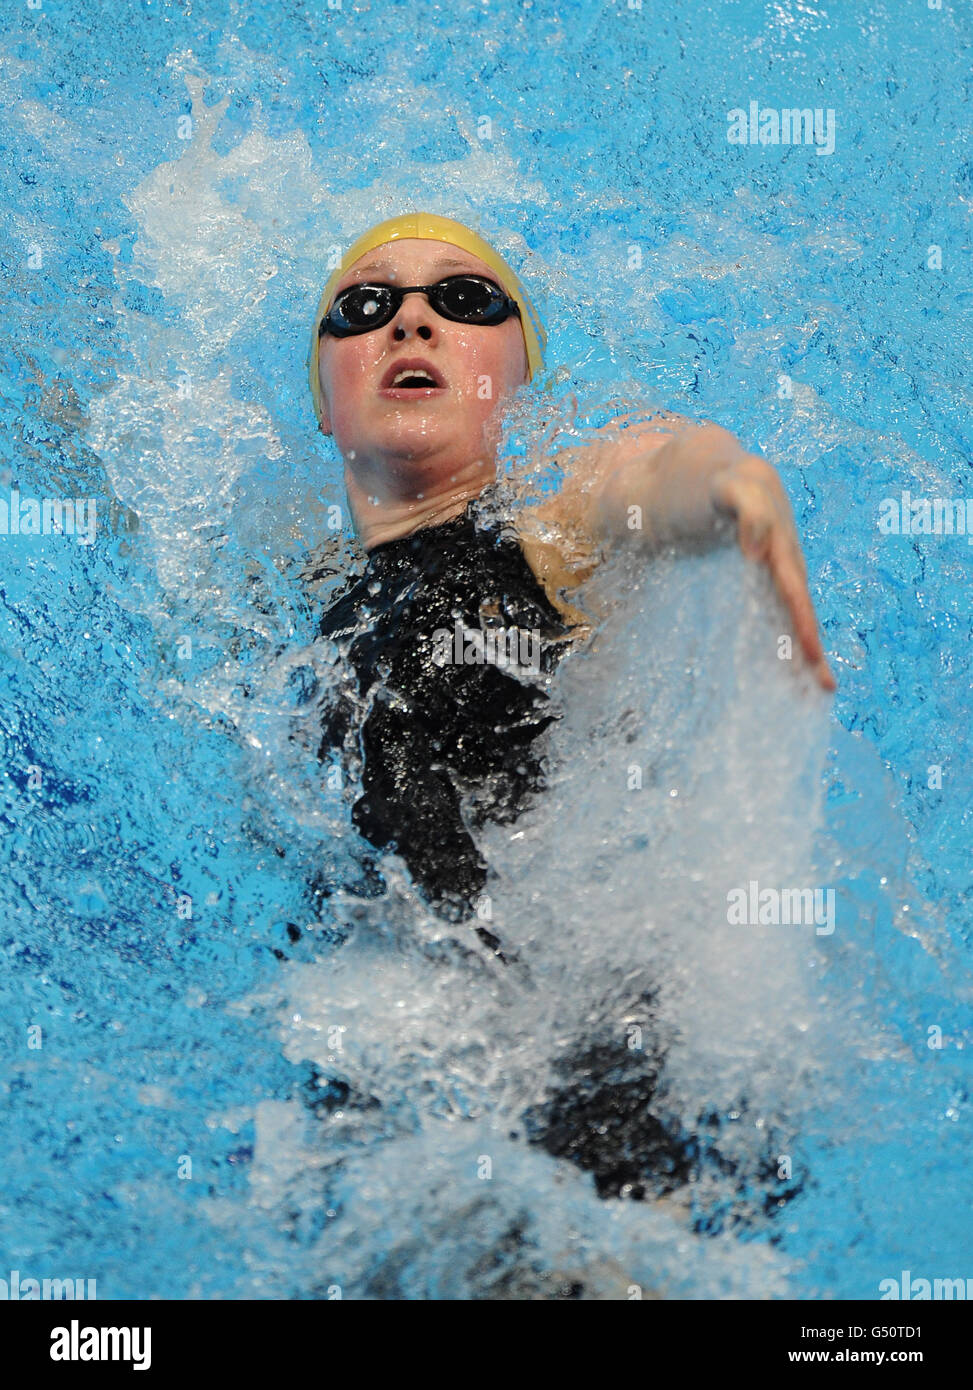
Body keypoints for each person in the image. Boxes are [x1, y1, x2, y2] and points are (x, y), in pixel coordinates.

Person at [307, 211, 833, 1207]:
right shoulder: (282, 588)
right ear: (323, 403)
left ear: (514, 382)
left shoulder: (552, 536)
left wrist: (732, 482)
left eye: (462, 302)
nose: (409, 324)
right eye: (364, 306)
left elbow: (653, 474)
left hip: (592, 1048)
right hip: (384, 1038)